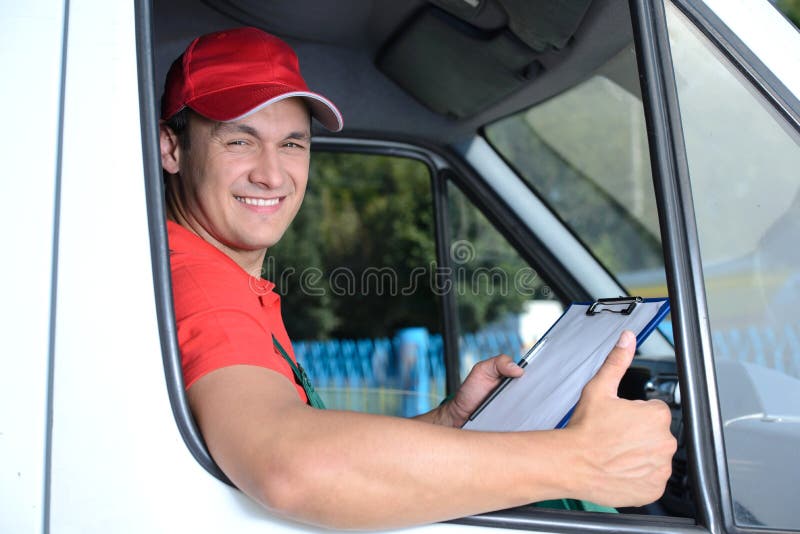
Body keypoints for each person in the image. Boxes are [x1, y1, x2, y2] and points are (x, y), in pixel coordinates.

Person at [160, 26, 676, 530]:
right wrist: (580, 460)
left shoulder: (217, 276)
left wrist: (448, 422)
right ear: (172, 148)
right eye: (240, 141)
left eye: (292, 145)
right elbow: (289, 466)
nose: (272, 175)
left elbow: (316, 457)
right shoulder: (198, 284)